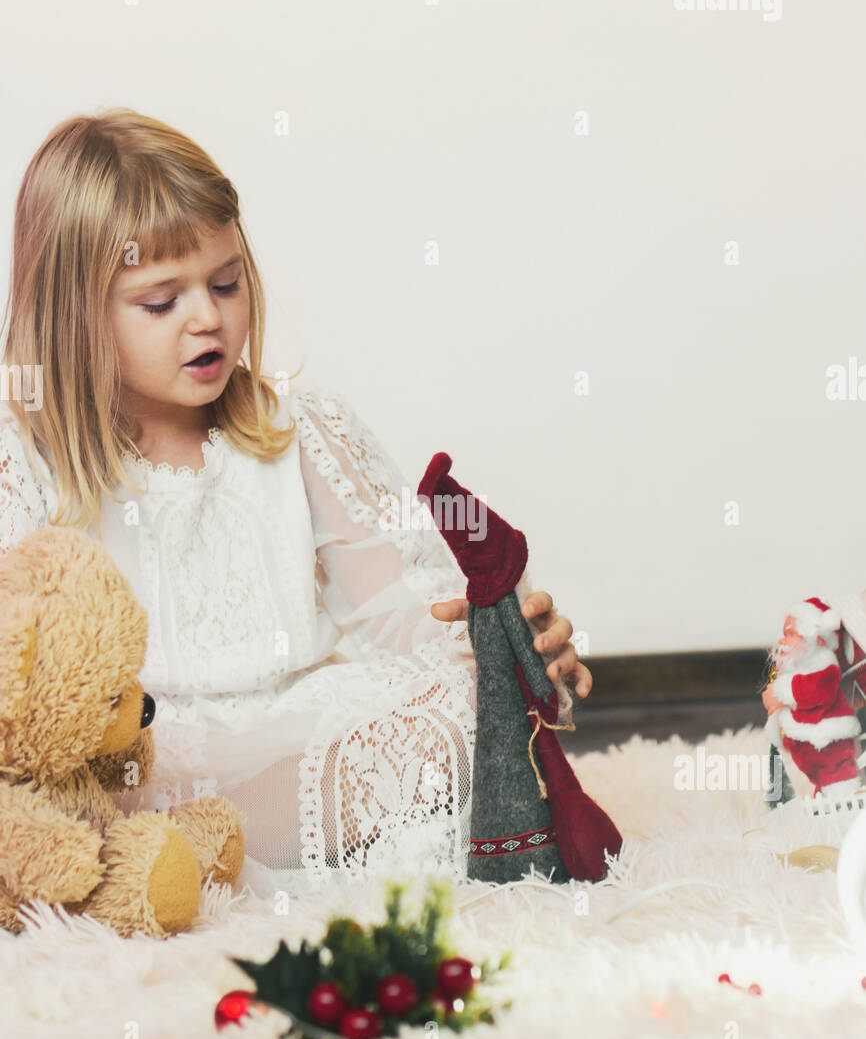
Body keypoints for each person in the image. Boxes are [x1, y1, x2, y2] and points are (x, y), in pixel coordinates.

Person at [0, 108, 588, 884]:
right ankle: (177, 844)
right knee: (51, 791)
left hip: (293, 731)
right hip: (140, 752)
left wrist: (500, 642)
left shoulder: (299, 428)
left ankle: (206, 845)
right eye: (160, 301)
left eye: (225, 282)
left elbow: (402, 607)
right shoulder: (27, 461)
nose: (207, 317)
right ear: (74, 314)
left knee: (469, 704)